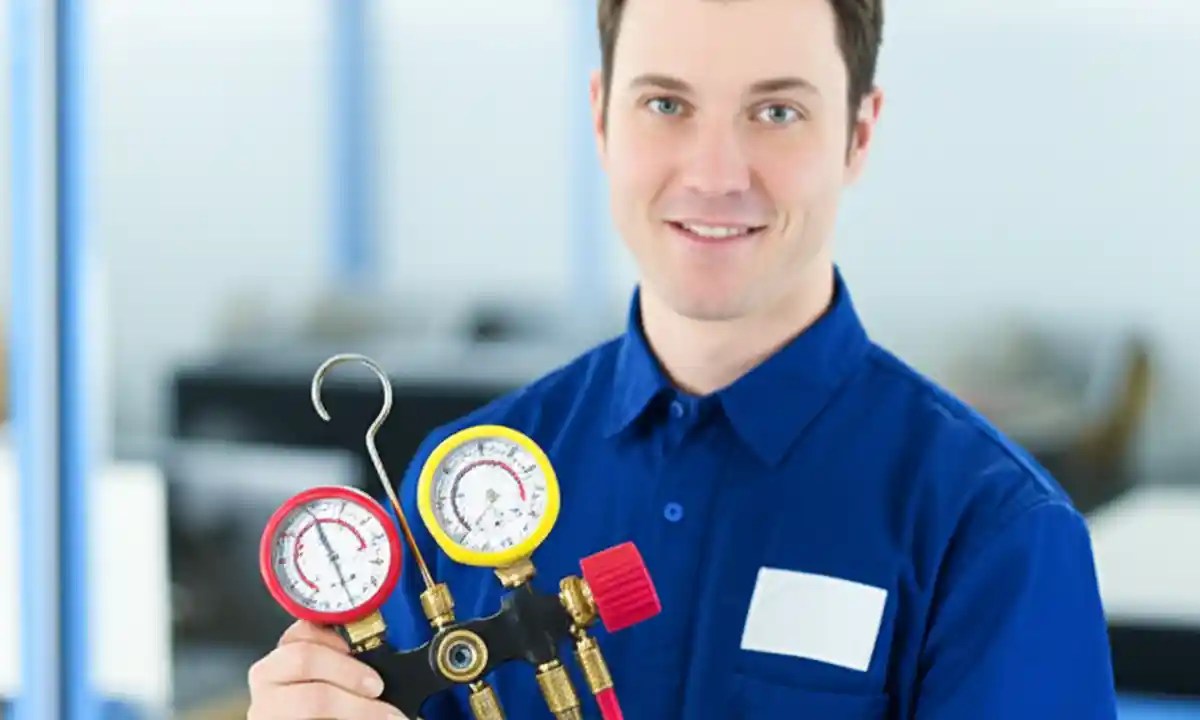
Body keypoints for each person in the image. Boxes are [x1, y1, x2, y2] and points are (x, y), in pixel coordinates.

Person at [247, 0, 1119, 717]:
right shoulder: (457, 493)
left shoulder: (992, 530)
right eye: (666, 104)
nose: (713, 173)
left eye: (776, 111)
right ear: (600, 117)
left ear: (859, 133)